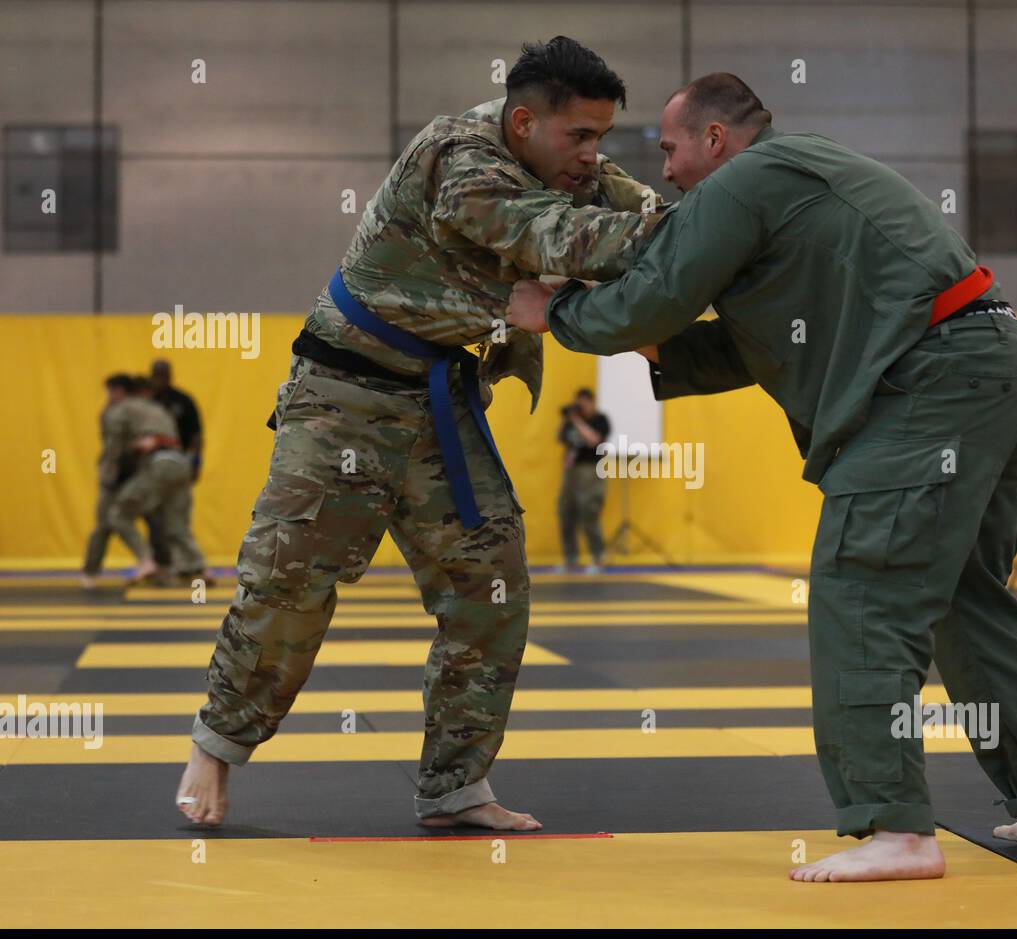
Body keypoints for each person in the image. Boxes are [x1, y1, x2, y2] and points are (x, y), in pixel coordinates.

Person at [508, 72, 1017, 882]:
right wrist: (626, 337)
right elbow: (738, 349)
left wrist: (554, 313)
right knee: (967, 598)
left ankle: (897, 828)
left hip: (928, 380)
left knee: (863, 587)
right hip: (986, 362)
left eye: (671, 148)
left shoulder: (748, 180)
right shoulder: (797, 184)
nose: (668, 171)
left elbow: (652, 298)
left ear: (716, 139)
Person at [174, 37, 667, 830]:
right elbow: (561, 240)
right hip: (343, 396)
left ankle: (455, 788)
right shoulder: (459, 161)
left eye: (602, 136)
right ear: (522, 121)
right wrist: (705, 247)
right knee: (290, 585)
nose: (593, 154)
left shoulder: (560, 162)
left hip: (439, 406)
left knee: (490, 589)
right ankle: (215, 748)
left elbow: (635, 207)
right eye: (581, 136)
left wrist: (726, 225)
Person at [100, 377, 207, 584]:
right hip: (179, 463)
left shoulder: (123, 409)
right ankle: (197, 566)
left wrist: (110, 478)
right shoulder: (160, 409)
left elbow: (113, 446)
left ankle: (146, 561)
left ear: (121, 391)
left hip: (157, 465)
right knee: (174, 522)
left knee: (118, 514)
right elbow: (192, 437)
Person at [146, 359, 205, 579]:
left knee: (179, 515)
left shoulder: (182, 400)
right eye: (157, 375)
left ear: (170, 375)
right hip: (152, 467)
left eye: (164, 375)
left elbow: (196, 436)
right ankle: (160, 561)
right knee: (154, 516)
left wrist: (196, 462)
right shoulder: (148, 402)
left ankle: (188, 563)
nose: (160, 379)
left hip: (177, 463)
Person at [81, 374, 134, 589]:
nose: (110, 396)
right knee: (104, 523)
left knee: (158, 522)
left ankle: (157, 566)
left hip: (133, 477)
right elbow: (112, 449)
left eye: (114, 391)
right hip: (116, 478)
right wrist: (109, 477)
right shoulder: (110, 413)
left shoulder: (134, 411)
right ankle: (90, 570)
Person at [557, 387, 611, 572]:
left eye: (585, 402)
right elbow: (561, 438)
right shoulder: (571, 421)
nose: (582, 406)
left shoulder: (600, 420)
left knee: (589, 512)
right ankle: (570, 558)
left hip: (591, 471)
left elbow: (593, 440)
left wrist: (578, 421)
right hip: (572, 470)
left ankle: (598, 557)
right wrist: (568, 419)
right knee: (566, 512)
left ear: (592, 402)